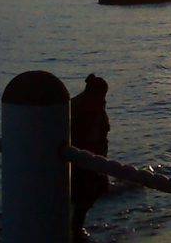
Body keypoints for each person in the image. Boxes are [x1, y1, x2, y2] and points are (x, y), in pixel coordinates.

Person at [70, 74, 110, 242]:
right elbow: (90, 135)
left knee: (86, 194)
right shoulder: (86, 108)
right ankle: (76, 230)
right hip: (85, 159)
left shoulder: (83, 104)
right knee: (87, 193)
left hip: (88, 158)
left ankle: (75, 228)